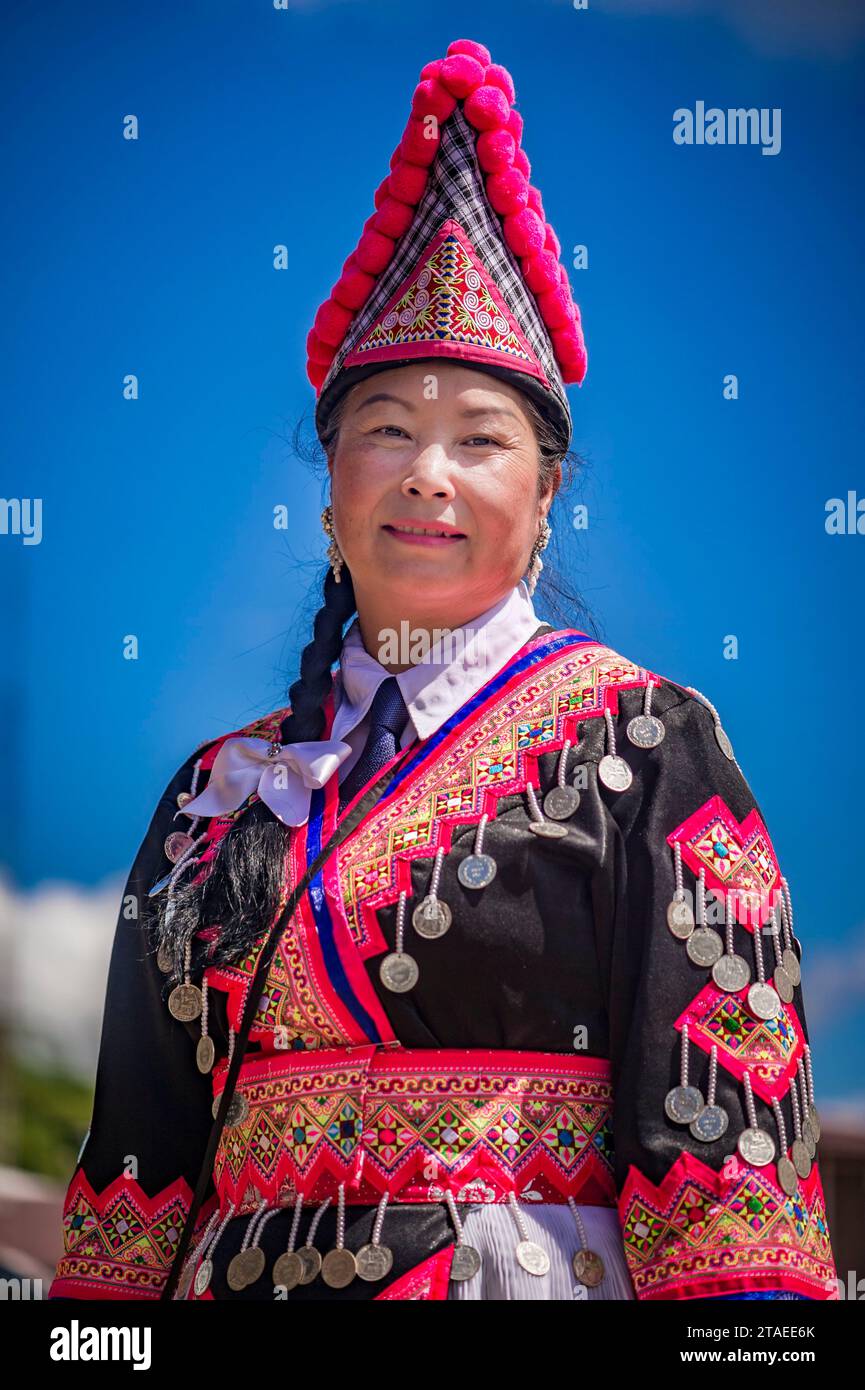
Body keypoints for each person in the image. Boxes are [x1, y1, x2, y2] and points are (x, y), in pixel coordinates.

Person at [49, 37, 838, 1303]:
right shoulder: (217, 795)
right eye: (388, 433)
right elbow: (131, 1183)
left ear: (543, 499)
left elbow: (729, 1183)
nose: (428, 474)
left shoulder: (645, 743)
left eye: (478, 440)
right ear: (329, 494)